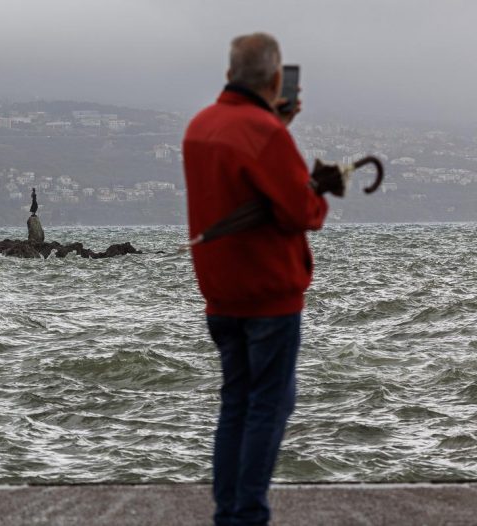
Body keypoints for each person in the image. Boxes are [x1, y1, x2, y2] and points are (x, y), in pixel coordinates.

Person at [182, 33, 336, 525]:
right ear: (275, 80)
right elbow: (302, 211)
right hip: (270, 296)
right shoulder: (266, 134)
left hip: (220, 295)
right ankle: (246, 515)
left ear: (229, 76)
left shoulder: (200, 127)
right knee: (269, 406)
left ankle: (229, 511)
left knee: (235, 405)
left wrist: (274, 120)